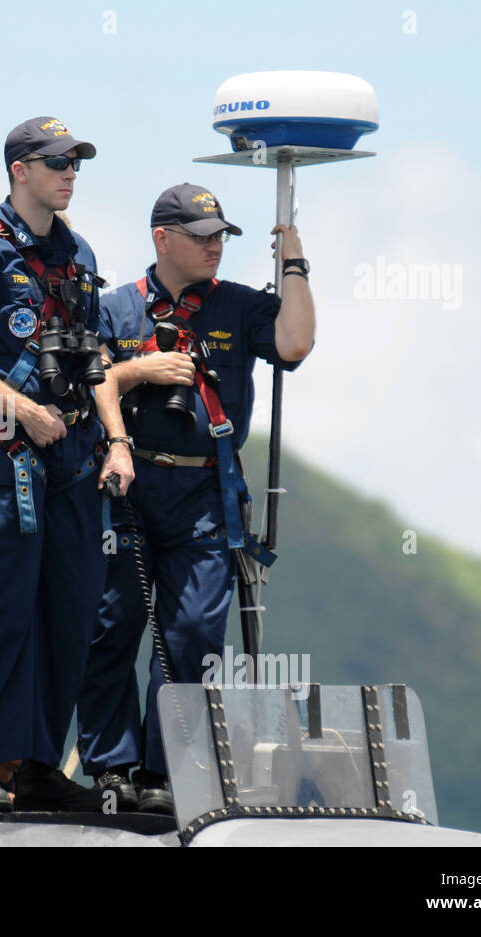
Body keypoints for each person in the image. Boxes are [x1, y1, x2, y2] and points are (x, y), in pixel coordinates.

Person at [76, 183, 314, 813]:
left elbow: (294, 343)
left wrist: (294, 262)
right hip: (127, 482)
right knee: (110, 626)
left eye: (221, 237)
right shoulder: (115, 308)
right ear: (163, 238)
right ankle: (109, 766)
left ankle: (165, 770)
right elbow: (89, 380)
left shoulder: (238, 305)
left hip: (205, 489)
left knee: (193, 635)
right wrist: (140, 373)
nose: (215, 248)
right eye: (202, 237)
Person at [0, 117, 134, 813]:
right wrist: (19, 409)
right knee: (3, 608)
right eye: (57, 163)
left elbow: (96, 358)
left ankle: (42, 763)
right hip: (11, 453)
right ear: (20, 169)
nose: (70, 173)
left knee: (70, 611)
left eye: (76, 162)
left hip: (76, 454)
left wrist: (116, 439)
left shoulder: (78, 255)